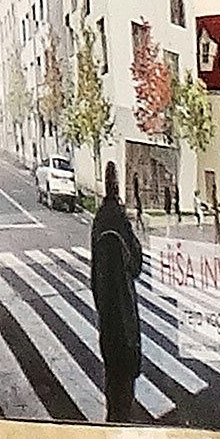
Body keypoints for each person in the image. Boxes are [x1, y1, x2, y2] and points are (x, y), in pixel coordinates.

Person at [92, 171, 145, 425]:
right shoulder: (120, 223)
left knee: (113, 381)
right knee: (125, 387)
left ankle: (113, 421)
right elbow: (136, 264)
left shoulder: (99, 220)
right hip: (124, 315)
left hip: (107, 316)